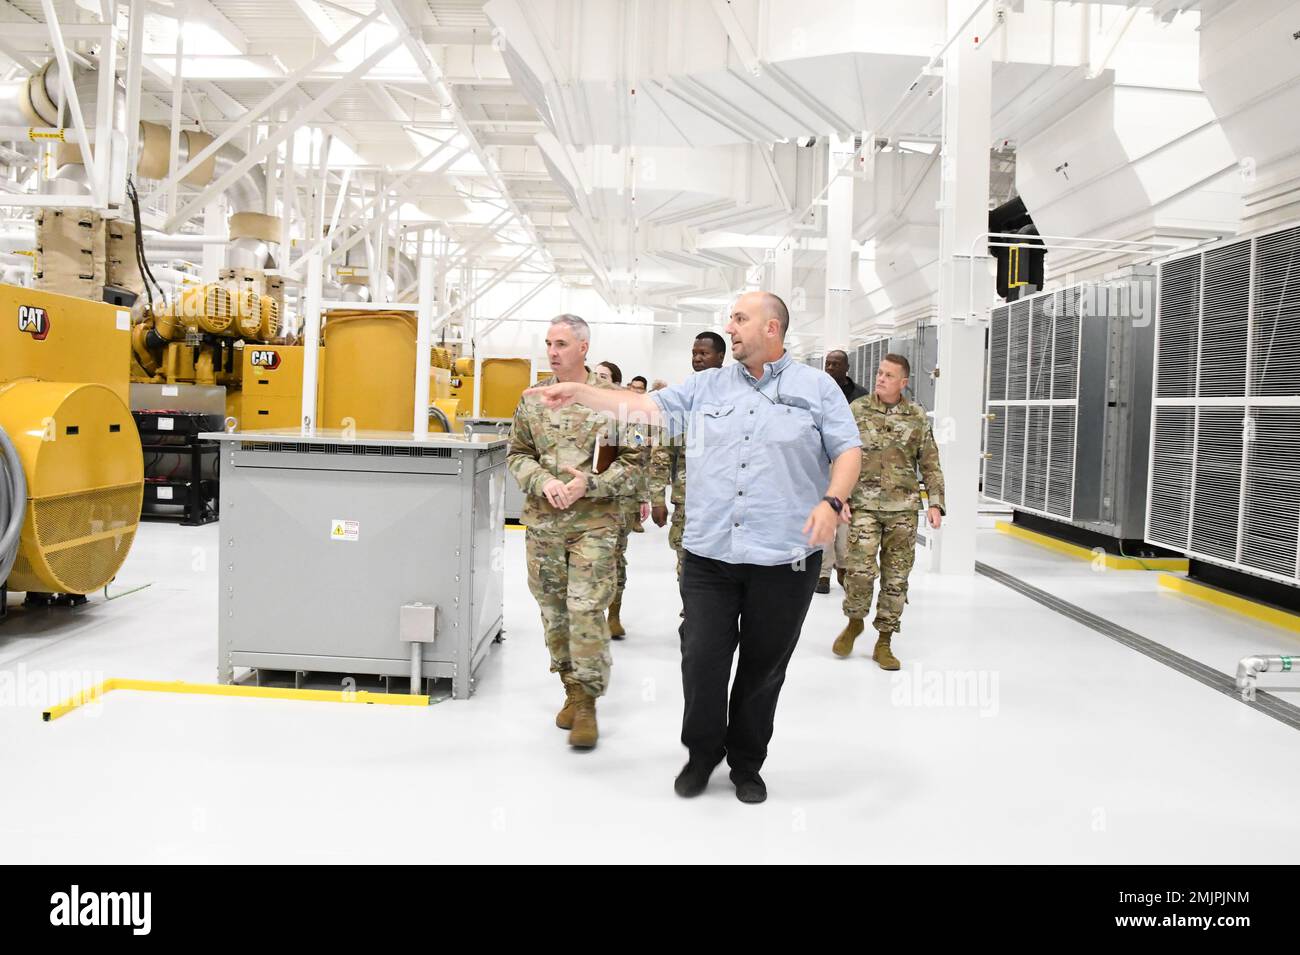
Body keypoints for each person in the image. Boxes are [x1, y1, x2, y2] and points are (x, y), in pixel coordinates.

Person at [527, 292, 862, 804]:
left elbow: (847, 451)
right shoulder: (705, 387)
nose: (731, 326)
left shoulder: (816, 388)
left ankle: (748, 763)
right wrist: (579, 392)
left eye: (740, 318)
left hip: (784, 558)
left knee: (763, 666)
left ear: (772, 328)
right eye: (731, 317)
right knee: (701, 660)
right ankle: (702, 755)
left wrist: (832, 502)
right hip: (709, 556)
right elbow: (642, 407)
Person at [507, 315, 641, 749]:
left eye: (561, 343)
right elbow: (517, 454)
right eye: (548, 343)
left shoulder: (615, 401)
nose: (552, 351)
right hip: (544, 524)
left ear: (584, 348)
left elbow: (634, 462)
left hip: (595, 525)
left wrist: (591, 484)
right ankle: (569, 686)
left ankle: (587, 701)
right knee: (553, 612)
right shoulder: (532, 400)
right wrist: (542, 481)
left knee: (585, 609)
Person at [833, 353, 945, 670]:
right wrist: (838, 498)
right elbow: (840, 454)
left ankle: (884, 641)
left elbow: (930, 462)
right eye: (880, 373)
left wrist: (935, 502)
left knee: (896, 578)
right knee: (859, 571)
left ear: (903, 382)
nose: (881, 379)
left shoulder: (916, 417)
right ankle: (855, 621)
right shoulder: (857, 411)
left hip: (903, 510)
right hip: (864, 505)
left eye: (889, 375)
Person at [649, 331, 726, 581]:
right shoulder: (682, 399)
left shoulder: (735, 395)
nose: (697, 358)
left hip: (726, 498)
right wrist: (657, 500)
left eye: (704, 353)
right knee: (686, 558)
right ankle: (692, 611)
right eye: (694, 353)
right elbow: (662, 456)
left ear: (721, 356)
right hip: (688, 499)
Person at [592, 362, 650, 639]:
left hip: (618, 499)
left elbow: (636, 460)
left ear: (616, 382)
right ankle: (590, 614)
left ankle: (613, 613)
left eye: (603, 376)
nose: (597, 379)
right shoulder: (583, 410)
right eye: (595, 374)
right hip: (583, 500)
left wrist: (643, 497)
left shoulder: (630, 416)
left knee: (614, 557)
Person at [815, 350, 870, 595]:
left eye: (835, 364)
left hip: (849, 461)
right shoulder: (818, 391)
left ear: (846, 368)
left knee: (847, 517)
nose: (830, 367)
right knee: (827, 510)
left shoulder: (861, 396)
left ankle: (844, 566)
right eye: (827, 363)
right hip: (824, 460)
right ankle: (823, 573)